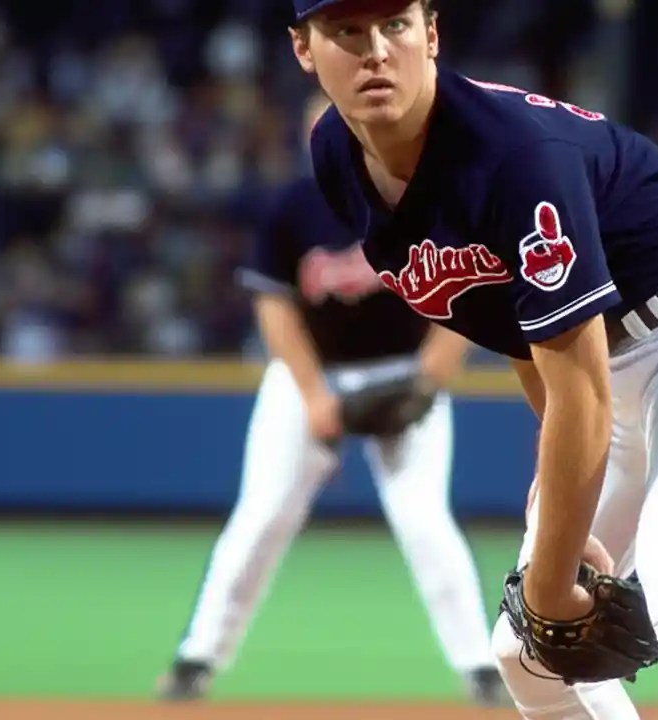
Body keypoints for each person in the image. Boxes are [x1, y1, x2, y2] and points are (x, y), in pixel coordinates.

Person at [289, 1, 658, 717]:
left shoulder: (516, 157)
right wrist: (561, 515)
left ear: (433, 34)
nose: (376, 50)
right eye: (347, 31)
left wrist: (556, 573)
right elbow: (516, 324)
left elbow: (583, 391)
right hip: (602, 369)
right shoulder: (337, 156)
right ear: (304, 50)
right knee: (526, 652)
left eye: (396, 25)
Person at [156, 91, 509, 707]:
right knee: (262, 516)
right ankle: (197, 659)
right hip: (307, 375)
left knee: (425, 521)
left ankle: (481, 668)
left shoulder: (423, 194)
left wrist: (428, 378)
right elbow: (275, 309)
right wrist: (315, 397)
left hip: (404, 370)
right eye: (319, 126)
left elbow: (467, 297)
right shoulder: (293, 205)